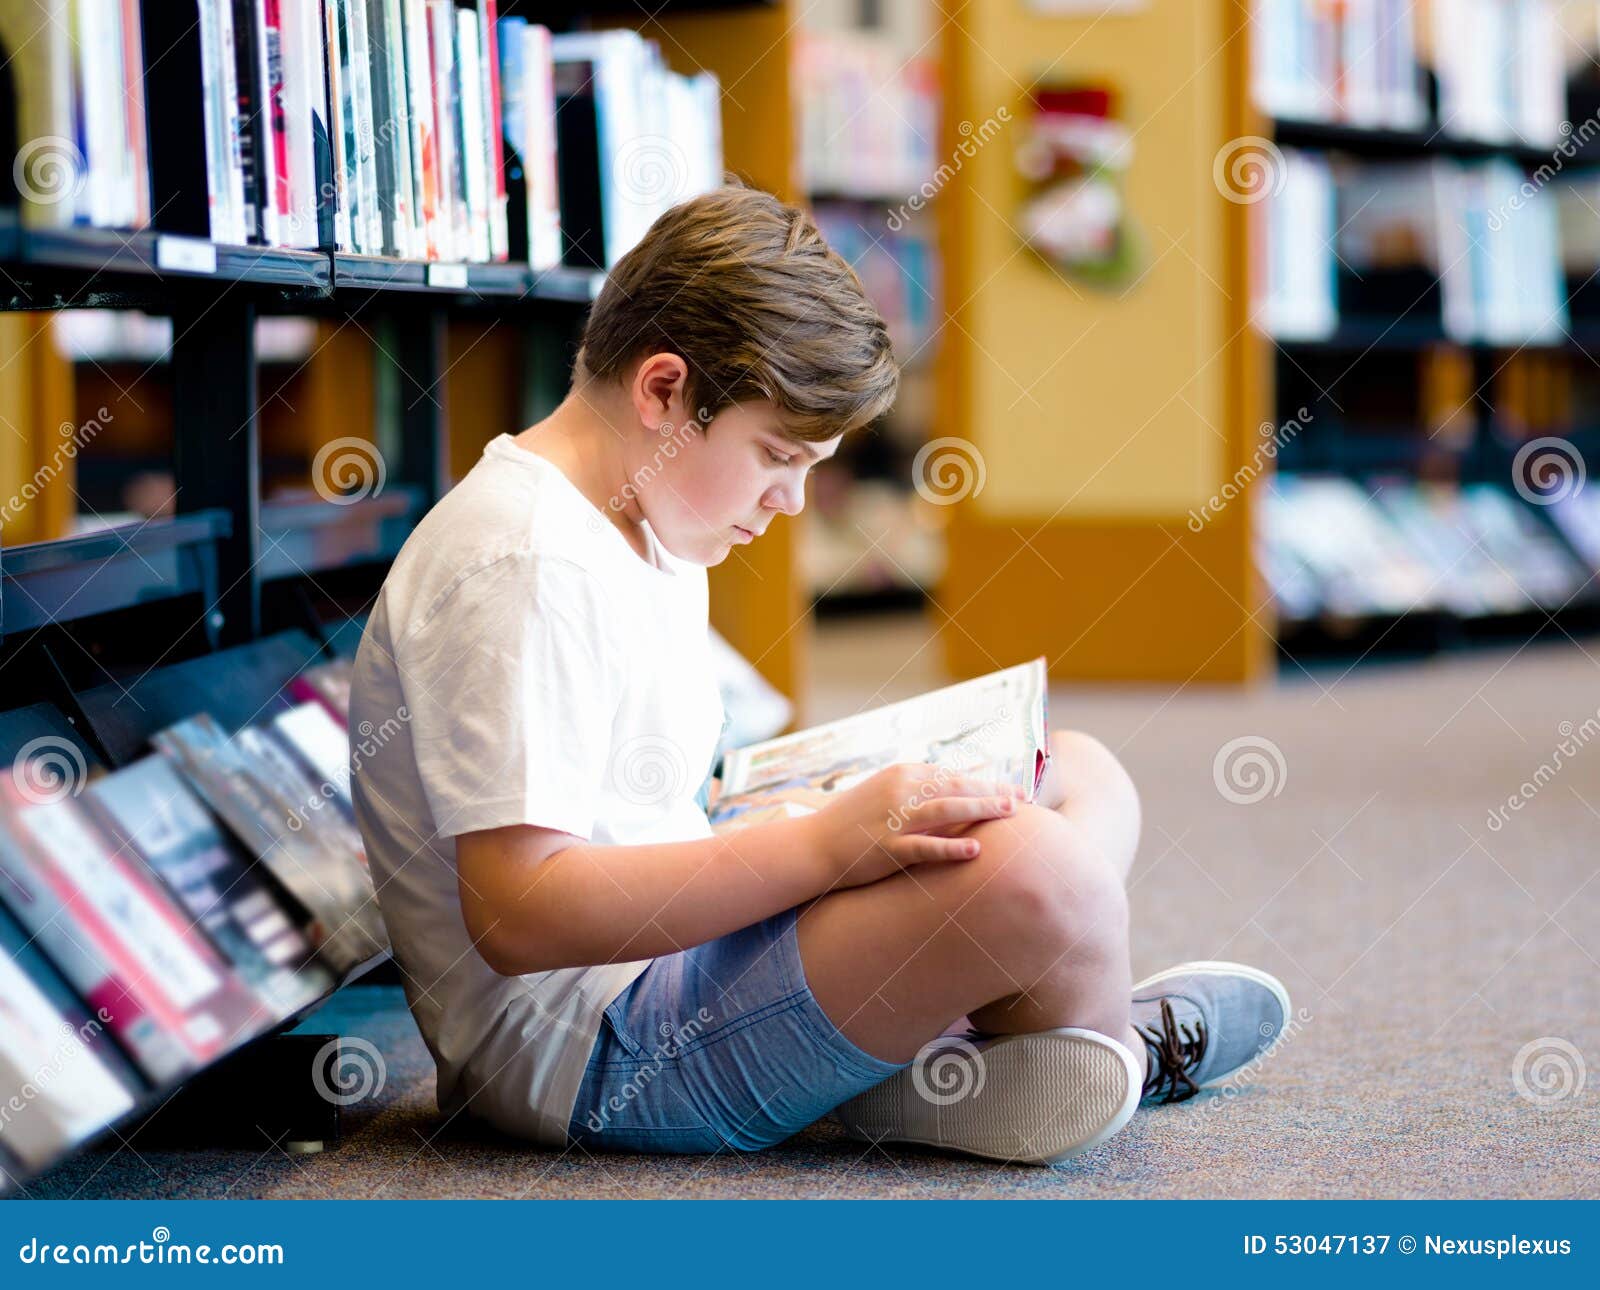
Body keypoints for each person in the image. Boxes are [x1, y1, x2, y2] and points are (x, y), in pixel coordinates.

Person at [348, 184, 1290, 1166]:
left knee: (1077, 769)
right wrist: (830, 845)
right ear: (664, 391)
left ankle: (932, 1057)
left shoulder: (646, 520)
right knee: (1050, 879)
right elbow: (519, 912)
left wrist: (832, 808)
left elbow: (647, 803)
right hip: (602, 1049)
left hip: (679, 952)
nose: (790, 502)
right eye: (775, 455)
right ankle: (1093, 1045)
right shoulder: (524, 560)